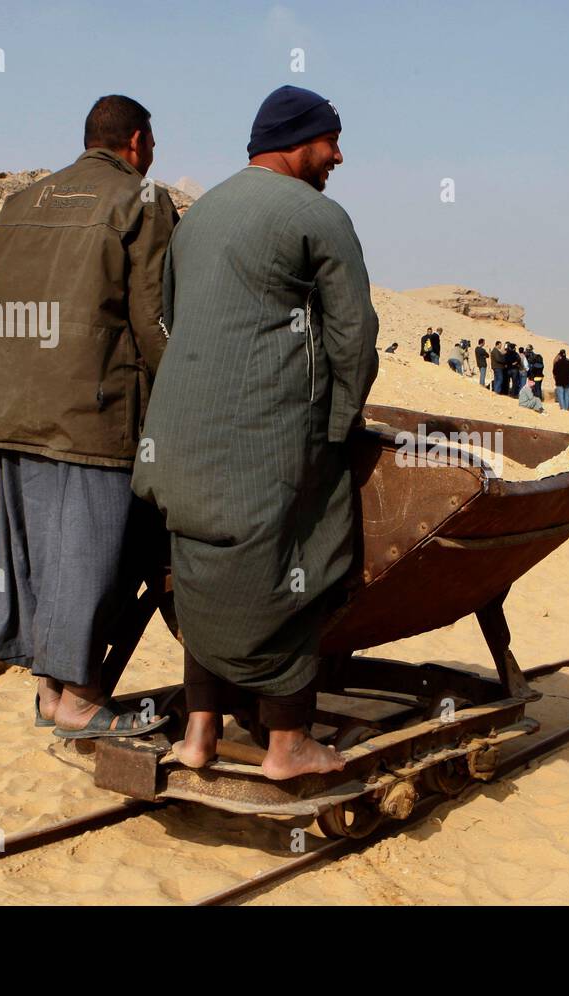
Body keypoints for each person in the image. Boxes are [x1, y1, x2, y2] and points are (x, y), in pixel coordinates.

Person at [133, 85, 379, 777]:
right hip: (267, 434)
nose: (338, 154)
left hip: (178, 437)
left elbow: (175, 318)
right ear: (300, 140)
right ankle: (287, 744)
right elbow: (353, 337)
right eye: (331, 139)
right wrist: (339, 425)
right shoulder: (317, 214)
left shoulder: (199, 214)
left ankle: (201, 736)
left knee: (203, 572)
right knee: (305, 560)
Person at [0, 94, 178, 739]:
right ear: (137, 142)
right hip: (97, 409)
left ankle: (51, 693)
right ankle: (82, 698)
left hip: (15, 407)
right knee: (96, 553)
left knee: (37, 553)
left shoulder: (22, 202)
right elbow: (153, 317)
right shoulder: (142, 201)